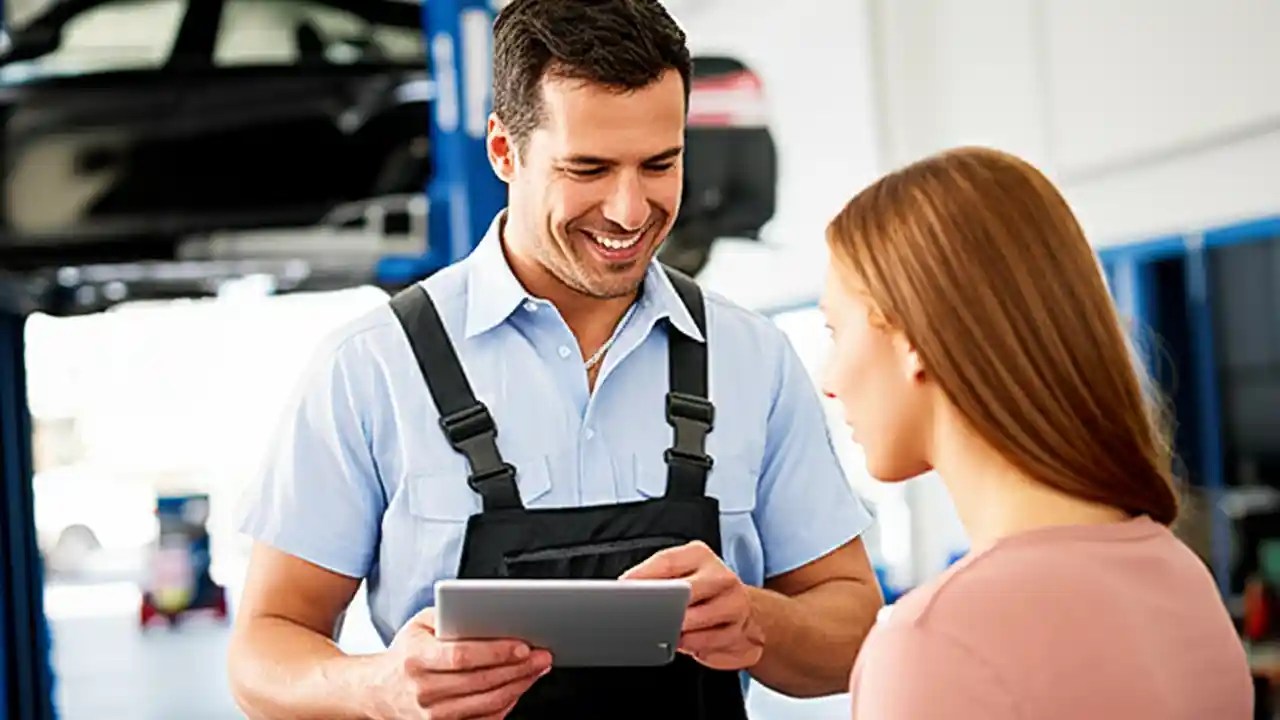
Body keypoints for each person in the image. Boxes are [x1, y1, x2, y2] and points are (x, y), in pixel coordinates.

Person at [226, 1, 884, 718]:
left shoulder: (750, 359)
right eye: (589, 169)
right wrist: (377, 687)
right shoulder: (372, 369)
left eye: (659, 164)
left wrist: (759, 620)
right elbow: (262, 653)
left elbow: (855, 633)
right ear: (505, 151)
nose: (631, 211)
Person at [817, 146, 1254, 719]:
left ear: (911, 342)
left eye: (835, 331)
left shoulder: (935, 642)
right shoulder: (1180, 577)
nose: (828, 380)